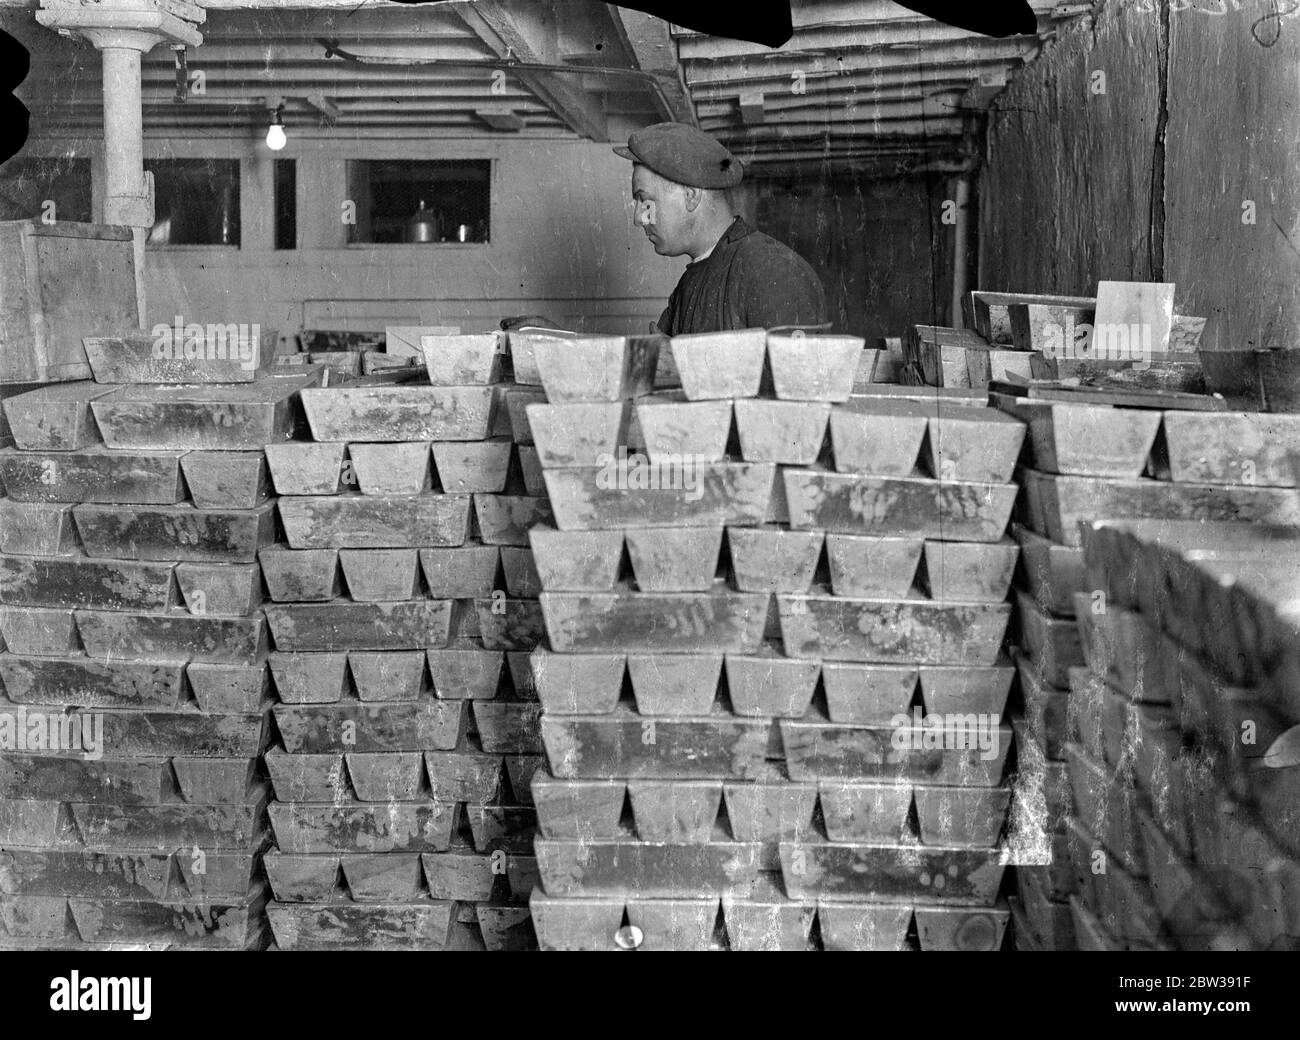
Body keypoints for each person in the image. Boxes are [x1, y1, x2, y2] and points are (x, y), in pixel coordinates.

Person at [614, 122, 829, 336]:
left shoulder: (775, 272)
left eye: (645, 200)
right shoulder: (691, 281)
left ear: (691, 196)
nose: (638, 218)